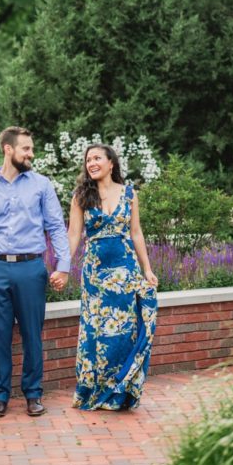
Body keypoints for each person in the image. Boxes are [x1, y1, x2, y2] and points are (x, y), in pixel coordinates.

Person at [0, 126, 71, 418]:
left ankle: (33, 395)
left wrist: (62, 266)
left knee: (32, 335)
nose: (31, 154)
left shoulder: (41, 184)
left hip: (31, 268)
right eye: (26, 148)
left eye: (31, 148)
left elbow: (55, 227)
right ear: (8, 149)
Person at [67, 143, 159, 411]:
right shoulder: (81, 196)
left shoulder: (129, 194)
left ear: (111, 163)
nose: (91, 163)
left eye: (97, 158)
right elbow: (74, 235)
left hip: (125, 271)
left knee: (122, 331)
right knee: (95, 331)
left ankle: (119, 392)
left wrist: (147, 269)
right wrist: (62, 266)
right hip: (95, 272)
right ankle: (92, 390)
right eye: (88, 160)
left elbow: (136, 233)